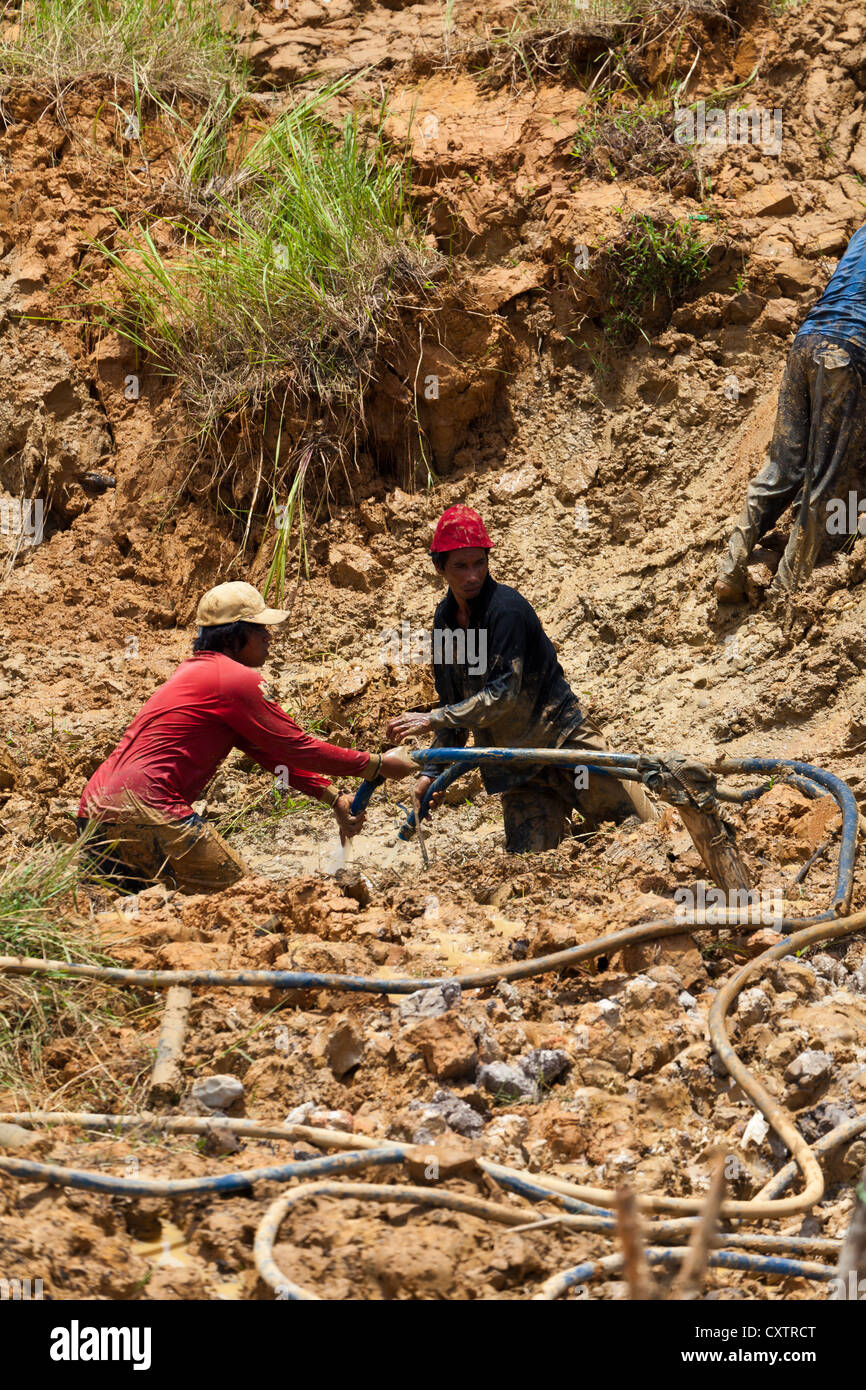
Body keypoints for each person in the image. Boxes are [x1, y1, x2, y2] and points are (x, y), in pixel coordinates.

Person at [78, 581, 415, 892]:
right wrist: (376, 765)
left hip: (94, 810)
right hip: (147, 807)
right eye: (259, 629)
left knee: (131, 919)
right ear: (233, 635)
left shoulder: (194, 673)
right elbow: (297, 747)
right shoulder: (233, 679)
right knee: (248, 903)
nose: (269, 637)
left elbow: (270, 754)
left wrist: (332, 797)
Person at [385, 505, 656, 853]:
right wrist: (431, 771)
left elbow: (503, 695)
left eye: (479, 563)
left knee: (640, 836)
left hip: (564, 744)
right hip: (516, 764)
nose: (472, 576)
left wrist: (432, 718)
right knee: (528, 865)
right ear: (440, 567)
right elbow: (452, 706)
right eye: (460, 566)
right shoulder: (445, 621)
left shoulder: (505, 610)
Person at [715, 223, 866, 603]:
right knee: (827, 479)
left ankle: (730, 571)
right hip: (852, 349)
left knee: (782, 466)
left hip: (808, 338)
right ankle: (788, 590)